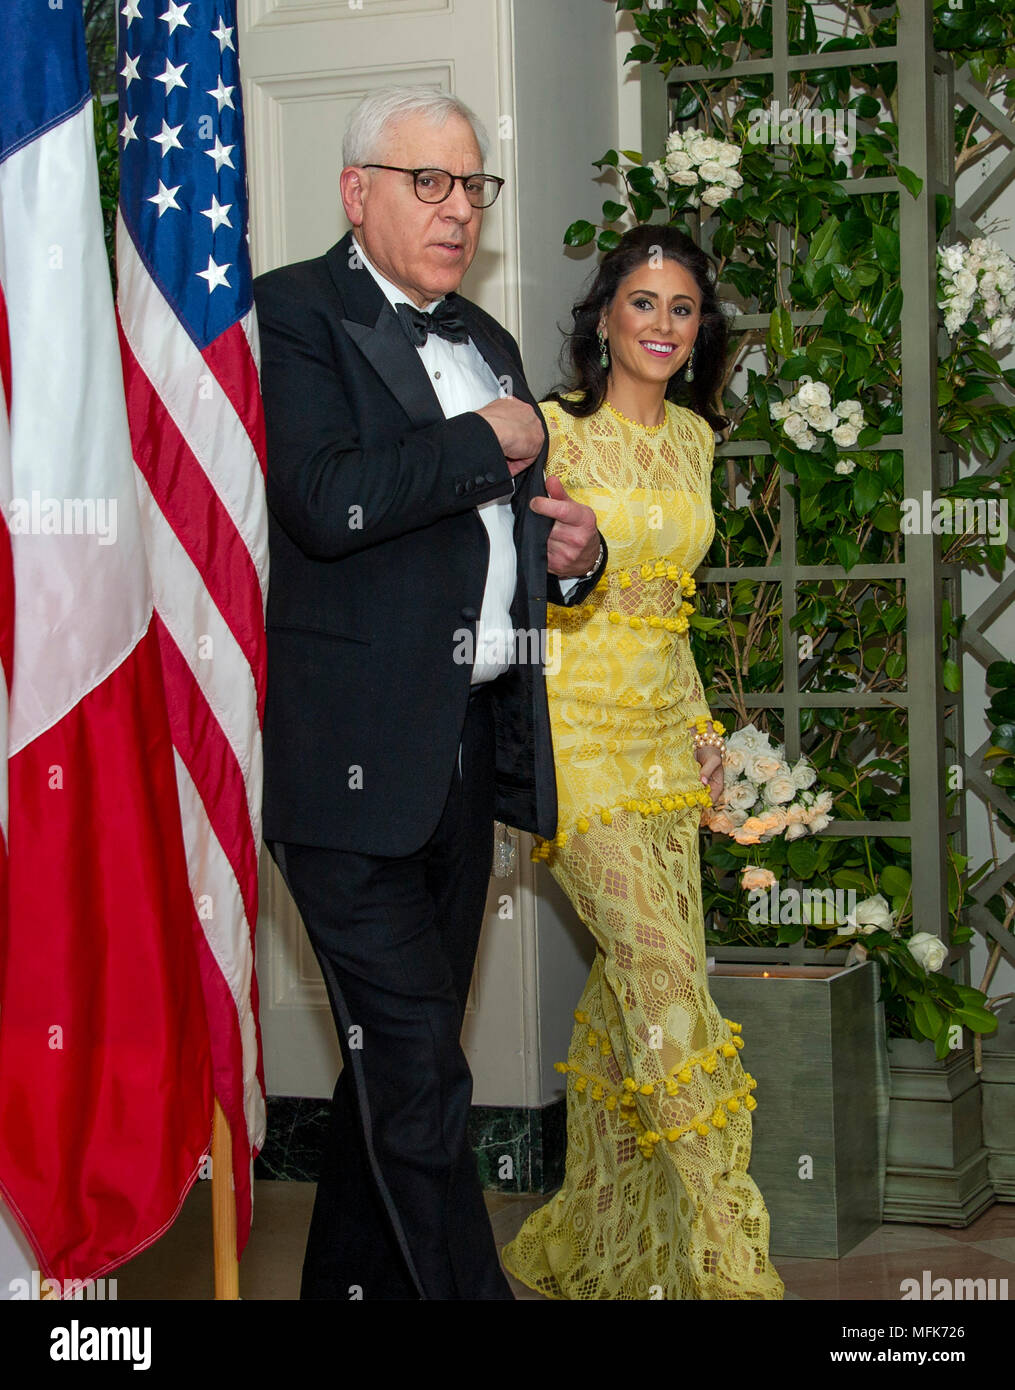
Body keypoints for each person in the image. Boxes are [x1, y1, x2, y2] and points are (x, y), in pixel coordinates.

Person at [252, 87, 605, 1301]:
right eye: (430, 183)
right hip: (345, 766)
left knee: (393, 1068)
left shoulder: (488, 341)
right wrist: (490, 442)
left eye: (474, 188)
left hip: (462, 755)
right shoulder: (290, 313)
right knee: (420, 1072)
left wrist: (571, 559)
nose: (459, 211)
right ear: (359, 193)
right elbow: (322, 497)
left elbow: (484, 545)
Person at [501, 225, 784, 1300]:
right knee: (670, 991)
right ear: (603, 317)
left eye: (682, 309)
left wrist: (706, 735)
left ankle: (607, 1246)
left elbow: (674, 611)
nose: (663, 326)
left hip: (666, 745)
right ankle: (731, 1266)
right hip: (575, 748)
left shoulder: (698, 441)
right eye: (642, 304)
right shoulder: (552, 433)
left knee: (636, 1001)